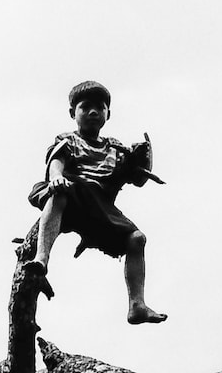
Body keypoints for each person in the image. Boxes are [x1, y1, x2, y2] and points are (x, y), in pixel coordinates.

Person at [27, 81, 167, 325]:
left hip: (99, 208)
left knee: (136, 239)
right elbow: (56, 162)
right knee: (59, 193)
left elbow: (140, 179)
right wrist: (57, 178)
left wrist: (145, 158)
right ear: (73, 113)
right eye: (85, 107)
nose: (93, 112)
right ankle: (41, 258)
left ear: (107, 115)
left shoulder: (115, 148)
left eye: (99, 108)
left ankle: (137, 305)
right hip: (71, 194)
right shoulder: (69, 139)